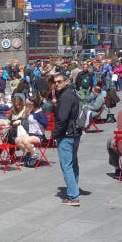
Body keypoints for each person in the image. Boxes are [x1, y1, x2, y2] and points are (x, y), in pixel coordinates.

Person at [52, 73, 82, 207]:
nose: (56, 84)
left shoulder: (65, 97)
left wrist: (55, 135)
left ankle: (73, 196)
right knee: (73, 163)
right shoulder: (73, 93)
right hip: (75, 133)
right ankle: (74, 189)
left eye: (59, 82)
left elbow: (62, 119)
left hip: (66, 134)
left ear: (65, 82)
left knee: (67, 165)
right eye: (55, 82)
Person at [14, 96, 48, 167]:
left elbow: (45, 123)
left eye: (28, 104)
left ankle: (34, 155)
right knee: (17, 140)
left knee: (26, 141)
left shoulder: (39, 113)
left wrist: (38, 118)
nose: (27, 105)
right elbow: (25, 119)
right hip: (31, 134)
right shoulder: (31, 111)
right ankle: (27, 153)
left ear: (33, 104)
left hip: (39, 135)